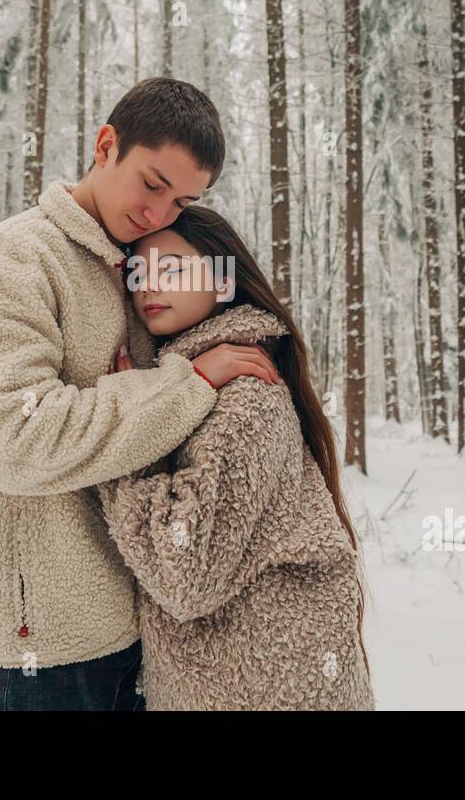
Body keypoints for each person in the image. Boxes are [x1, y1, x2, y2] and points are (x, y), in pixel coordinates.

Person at [0, 78, 279, 710]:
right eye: (152, 183)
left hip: (134, 637)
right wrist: (187, 385)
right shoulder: (14, 260)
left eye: (182, 201)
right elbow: (17, 439)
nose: (160, 212)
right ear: (106, 144)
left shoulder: (137, 267)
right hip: (32, 655)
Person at [96, 204, 375, 710]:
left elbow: (184, 572)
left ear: (223, 283)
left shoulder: (246, 397)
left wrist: (126, 440)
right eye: (138, 271)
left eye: (173, 269)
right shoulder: (202, 379)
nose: (149, 285)